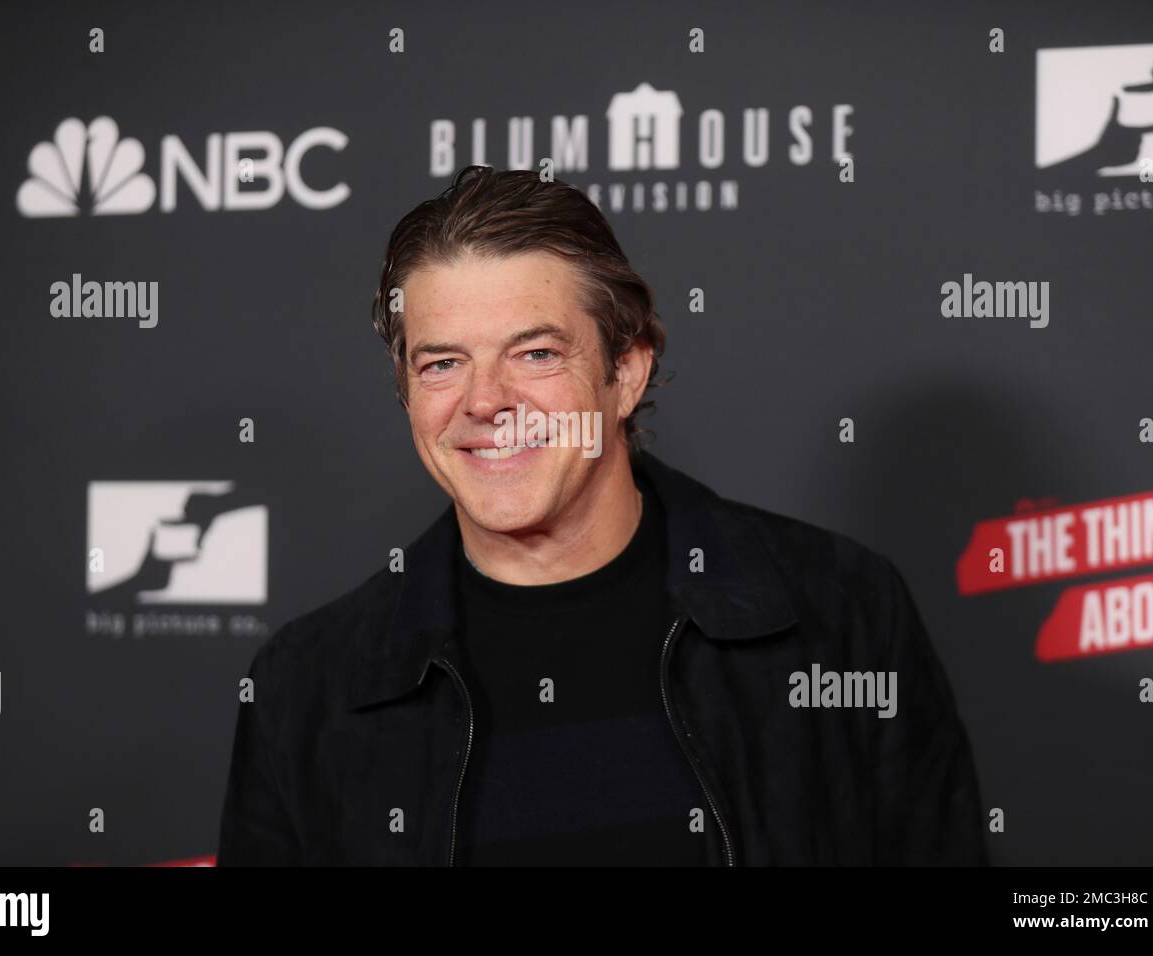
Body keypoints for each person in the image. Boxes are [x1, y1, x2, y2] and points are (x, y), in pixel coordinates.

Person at [217, 165, 987, 866]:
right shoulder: (308, 689)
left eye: (536, 354)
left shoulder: (841, 613)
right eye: (442, 363)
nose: (484, 402)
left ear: (626, 372)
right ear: (407, 391)